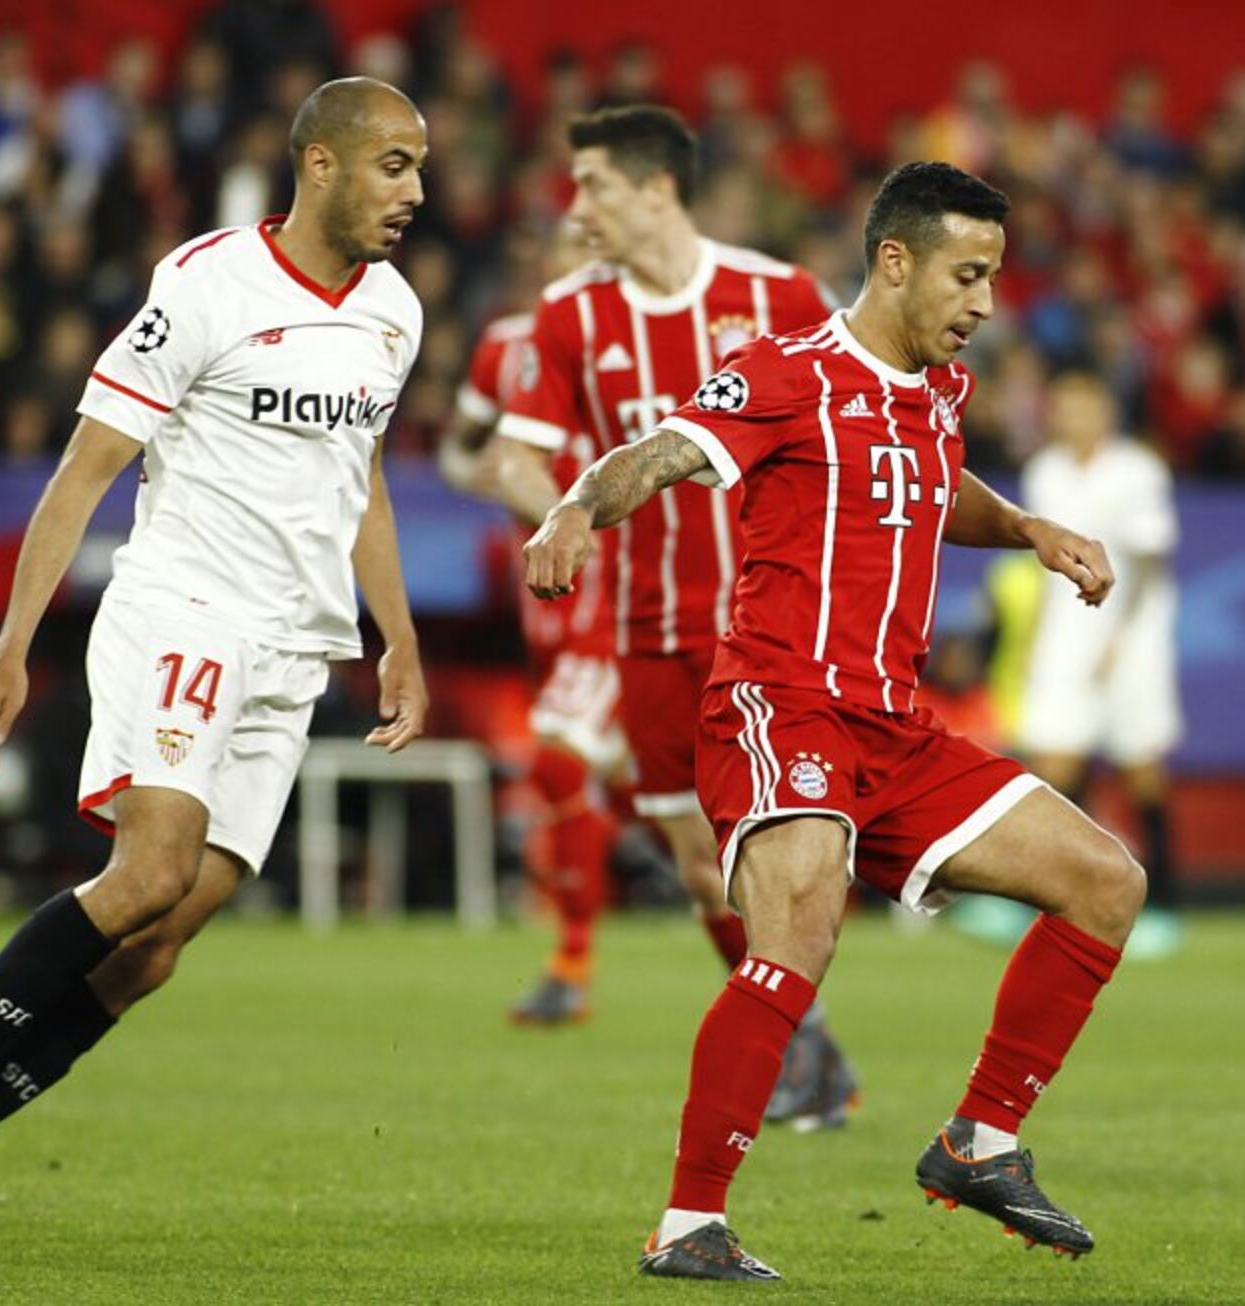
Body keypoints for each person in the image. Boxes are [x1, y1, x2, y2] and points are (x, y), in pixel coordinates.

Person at [0, 77, 431, 1252]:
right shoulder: (206, 285)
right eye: (392, 164)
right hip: (185, 607)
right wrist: (9, 653)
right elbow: (84, 469)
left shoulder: (394, 313)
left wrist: (395, 632)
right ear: (320, 166)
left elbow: (360, 477)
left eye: (416, 167)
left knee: (155, 949)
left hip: (294, 647)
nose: (413, 190)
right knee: (147, 873)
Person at [523, 161, 1146, 1281]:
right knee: (801, 931)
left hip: (896, 730)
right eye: (967, 275)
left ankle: (980, 1141)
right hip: (780, 701)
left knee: (1106, 882)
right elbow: (657, 453)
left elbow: (938, 483)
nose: (985, 303)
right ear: (894, 261)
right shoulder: (788, 373)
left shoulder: (942, 392)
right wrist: (574, 510)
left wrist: (1031, 528)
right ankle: (687, 1222)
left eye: (995, 278)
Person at [494, 104, 855, 1123]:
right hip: (650, 628)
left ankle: (793, 1045)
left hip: (778, 627)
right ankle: (807, 1040)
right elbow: (515, 457)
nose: (576, 208)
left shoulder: (778, 294)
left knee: (792, 848)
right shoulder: (568, 316)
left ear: (657, 188)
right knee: (703, 862)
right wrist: (563, 512)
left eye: (594, 184)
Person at [437, 223, 627, 1025]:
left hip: (624, 587)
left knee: (556, 758)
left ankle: (571, 960)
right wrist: (488, 478)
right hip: (544, 587)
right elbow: (456, 450)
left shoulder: (640, 342)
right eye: (564, 253)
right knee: (657, 794)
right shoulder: (505, 346)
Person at [1018, 370, 1184, 956]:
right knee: (1053, 765)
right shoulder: (1045, 472)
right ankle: (1060, 893)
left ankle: (1164, 902)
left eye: (1080, 406)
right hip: (1067, 636)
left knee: (1141, 768)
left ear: (1105, 410)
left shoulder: (1137, 470)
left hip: (1133, 639)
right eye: (1060, 406)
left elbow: (1148, 564)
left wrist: (1122, 640)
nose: (1068, 417)